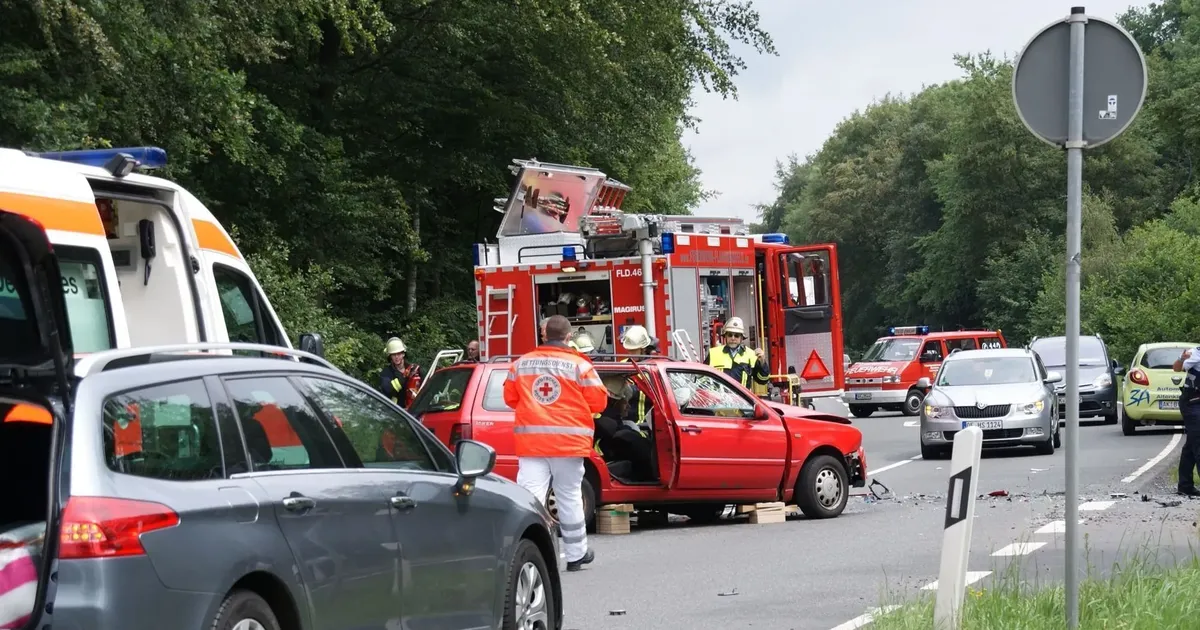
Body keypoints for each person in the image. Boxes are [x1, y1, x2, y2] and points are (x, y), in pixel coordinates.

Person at [503, 315, 608, 571]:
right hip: (568, 444)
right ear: (568, 336)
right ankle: (575, 555)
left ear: (543, 335)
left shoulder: (521, 364)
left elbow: (510, 398)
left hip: (532, 443)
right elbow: (599, 403)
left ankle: (526, 553)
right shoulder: (580, 366)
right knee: (569, 496)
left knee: (529, 498)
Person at [703, 317, 770, 391]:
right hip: (719, 401)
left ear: (742, 337)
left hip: (741, 401)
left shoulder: (751, 355)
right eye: (730, 335)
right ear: (725, 336)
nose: (733, 338)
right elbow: (702, 379)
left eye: (737, 335)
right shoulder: (714, 354)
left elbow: (763, 380)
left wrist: (762, 363)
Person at [618, 325, 657, 428]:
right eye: (629, 350)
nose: (630, 353)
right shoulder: (622, 365)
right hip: (628, 424)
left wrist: (633, 389)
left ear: (643, 349)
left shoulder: (653, 367)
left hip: (650, 426)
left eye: (633, 350)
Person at [1175, 347, 1200, 497]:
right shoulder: (1196, 352)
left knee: (1191, 444)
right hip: (1192, 401)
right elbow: (1177, 368)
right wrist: (1182, 358)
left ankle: (1185, 485)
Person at [379, 337, 422, 408]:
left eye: (398, 354)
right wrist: (404, 376)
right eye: (393, 354)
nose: (396, 357)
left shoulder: (414, 369)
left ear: (403, 354)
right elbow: (388, 390)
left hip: (415, 409)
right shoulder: (387, 373)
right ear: (390, 356)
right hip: (398, 411)